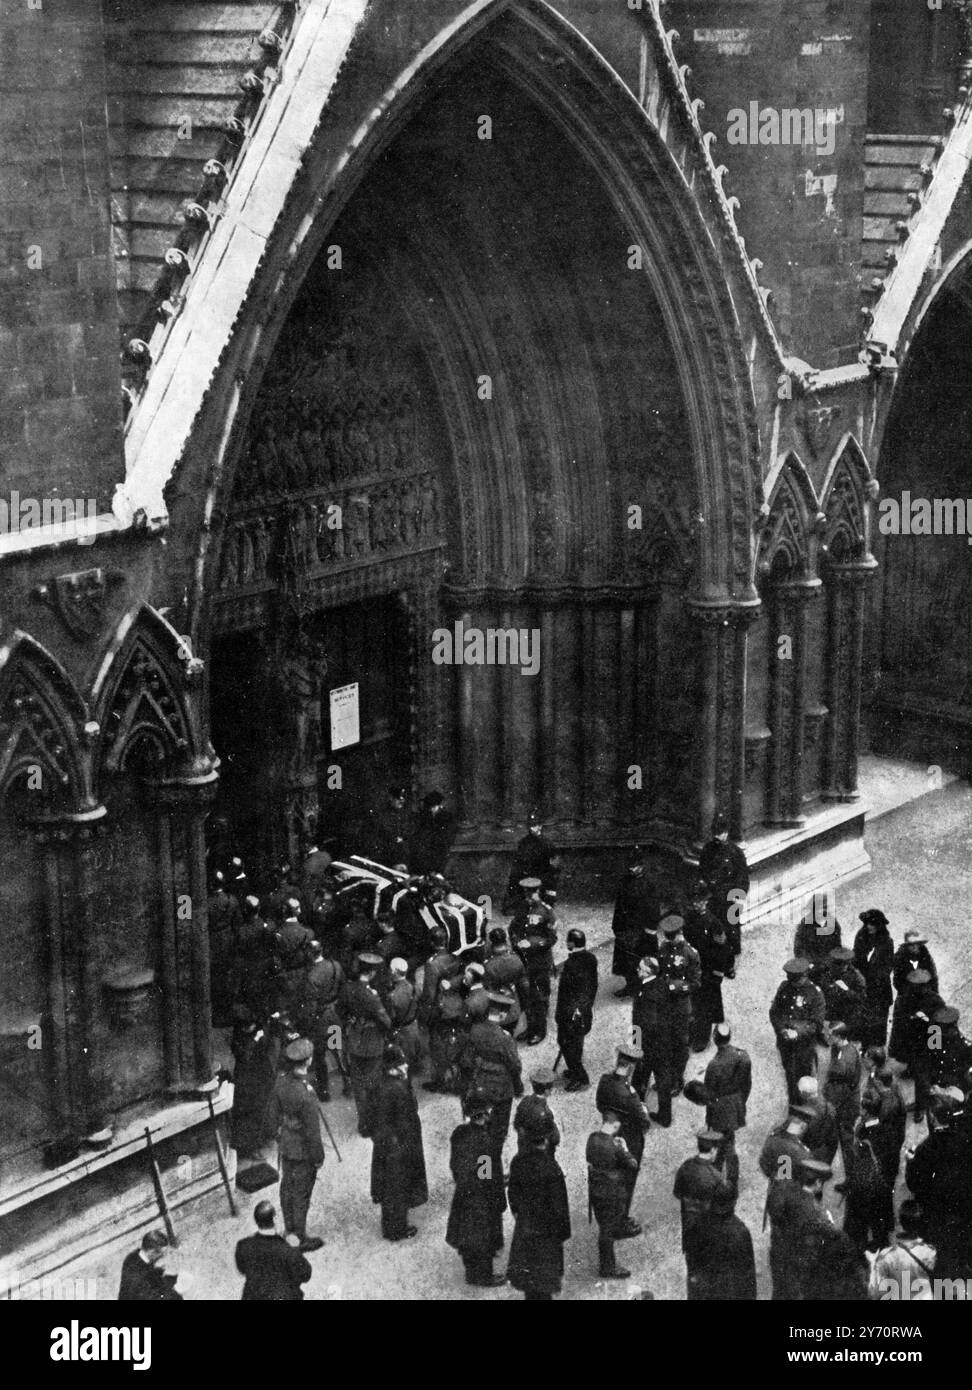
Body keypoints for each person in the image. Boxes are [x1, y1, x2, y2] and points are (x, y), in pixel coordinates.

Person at [265, 1037, 325, 1251]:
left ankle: (289, 1229)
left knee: (287, 1189)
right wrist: (318, 1158)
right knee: (301, 1194)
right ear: (308, 1061)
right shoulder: (306, 1095)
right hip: (303, 1151)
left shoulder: (281, 1082)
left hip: (286, 1146)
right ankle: (299, 1238)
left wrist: (279, 1135)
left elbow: (271, 1116)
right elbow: (313, 1133)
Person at [446, 1092, 507, 1287]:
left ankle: (474, 1271)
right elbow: (485, 1176)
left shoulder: (459, 1134)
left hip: (463, 1193)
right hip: (480, 1199)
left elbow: (456, 1166)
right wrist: (498, 1190)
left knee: (468, 1236)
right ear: (484, 1114)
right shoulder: (484, 1143)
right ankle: (482, 1276)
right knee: (481, 1238)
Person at [370, 1043, 428, 1241]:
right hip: (399, 1145)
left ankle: (390, 1225)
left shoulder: (379, 1082)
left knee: (388, 1186)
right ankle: (397, 1229)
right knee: (398, 1187)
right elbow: (406, 1120)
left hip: (384, 1143)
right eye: (402, 1064)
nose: (406, 1067)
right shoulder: (398, 1089)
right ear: (393, 1068)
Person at [507, 1132, 571, 1300]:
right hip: (547, 1232)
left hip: (526, 1226)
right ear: (546, 1140)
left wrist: (519, 1215)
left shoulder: (518, 1162)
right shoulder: (552, 1168)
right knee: (544, 1279)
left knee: (530, 1278)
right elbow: (560, 1207)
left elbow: (513, 1194)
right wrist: (563, 1234)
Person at [459, 993, 524, 1153]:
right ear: (502, 1014)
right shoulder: (504, 1038)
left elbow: (466, 1059)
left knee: (481, 1128)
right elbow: (515, 1066)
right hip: (501, 1089)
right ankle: (488, 1172)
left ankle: (483, 1170)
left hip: (478, 1083)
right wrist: (518, 1086)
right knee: (497, 1134)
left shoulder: (474, 1030)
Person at [595, 1043, 651, 1222]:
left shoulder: (604, 1080)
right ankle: (621, 1219)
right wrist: (643, 1109)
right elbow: (644, 1123)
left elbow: (600, 1105)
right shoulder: (630, 1094)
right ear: (631, 1067)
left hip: (610, 1132)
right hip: (630, 1138)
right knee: (627, 1178)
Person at [673, 1130, 730, 1296]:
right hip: (709, 1232)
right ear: (713, 1150)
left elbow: (677, 1193)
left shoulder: (685, 1167)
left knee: (693, 1272)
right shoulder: (716, 1177)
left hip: (689, 1230)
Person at [342, 951, 392, 1135]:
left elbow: (341, 1011)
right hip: (372, 1045)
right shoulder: (371, 995)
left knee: (358, 1086)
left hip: (354, 1040)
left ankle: (363, 1124)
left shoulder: (348, 988)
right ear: (371, 973)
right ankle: (373, 1123)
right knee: (373, 1085)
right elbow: (386, 1021)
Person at [586, 1111, 640, 1279]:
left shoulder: (592, 1138)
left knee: (605, 1223)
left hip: (596, 1189)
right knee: (606, 1230)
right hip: (612, 1191)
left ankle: (617, 1229)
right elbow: (632, 1165)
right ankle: (608, 1268)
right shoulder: (616, 1147)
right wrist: (624, 1148)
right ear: (616, 1125)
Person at [702, 1021, 751, 1195]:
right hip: (736, 1103)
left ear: (715, 1039)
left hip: (720, 1107)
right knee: (727, 1139)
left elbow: (708, 1092)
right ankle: (724, 1173)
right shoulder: (743, 1056)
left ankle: (728, 1179)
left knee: (725, 1142)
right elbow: (747, 1085)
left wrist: (710, 1111)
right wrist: (740, 1102)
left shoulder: (714, 1065)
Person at [293, 939, 345, 1101]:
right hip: (334, 1017)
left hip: (320, 1022)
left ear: (309, 954)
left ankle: (324, 1091)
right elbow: (343, 989)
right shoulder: (335, 965)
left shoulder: (311, 977)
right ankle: (347, 1080)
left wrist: (303, 1027)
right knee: (337, 1049)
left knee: (320, 1056)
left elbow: (310, 1007)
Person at [683, 1186, 757, 1301]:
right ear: (733, 1202)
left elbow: (691, 1261)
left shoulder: (698, 1225)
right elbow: (748, 1273)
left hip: (705, 1291)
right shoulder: (740, 1232)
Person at [768, 958, 825, 1102]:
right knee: (788, 1071)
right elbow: (774, 1012)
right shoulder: (784, 987)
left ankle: (801, 1101)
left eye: (796, 980)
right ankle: (792, 1099)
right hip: (785, 1041)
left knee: (802, 1072)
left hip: (803, 1045)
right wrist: (781, 1030)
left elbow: (816, 1024)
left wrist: (798, 1033)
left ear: (805, 976)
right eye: (790, 979)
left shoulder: (815, 994)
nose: (793, 983)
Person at [508, 878, 557, 1044]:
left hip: (540, 962)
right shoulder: (522, 908)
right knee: (525, 997)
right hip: (524, 961)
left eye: (532, 893)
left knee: (539, 997)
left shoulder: (546, 912)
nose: (528, 896)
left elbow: (551, 938)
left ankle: (539, 1030)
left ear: (538, 892)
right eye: (526, 893)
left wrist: (532, 944)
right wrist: (516, 942)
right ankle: (530, 1027)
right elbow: (513, 928)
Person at [843, 1097, 895, 1253]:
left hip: (865, 1189)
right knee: (880, 1225)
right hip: (881, 1181)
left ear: (865, 1110)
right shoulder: (886, 1127)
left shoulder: (863, 1130)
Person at [657, 914, 701, 1093]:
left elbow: (696, 983)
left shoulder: (690, 953)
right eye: (668, 936)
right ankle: (666, 1076)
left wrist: (677, 987)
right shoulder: (664, 948)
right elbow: (661, 972)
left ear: (680, 933)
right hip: (664, 1003)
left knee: (679, 1045)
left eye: (672, 936)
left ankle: (677, 1079)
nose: (670, 940)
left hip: (681, 1006)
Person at [235, 1201, 312, 1301]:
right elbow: (305, 1274)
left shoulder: (243, 1245)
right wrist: (295, 1248)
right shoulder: (289, 1250)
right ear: (275, 1219)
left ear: (256, 1221)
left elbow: (242, 1269)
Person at [419, 924, 465, 1091]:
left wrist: (424, 1015)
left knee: (437, 1046)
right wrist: (452, 984)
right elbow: (462, 977)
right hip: (457, 1004)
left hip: (441, 1010)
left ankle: (440, 1081)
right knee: (456, 1041)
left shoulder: (432, 964)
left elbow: (429, 994)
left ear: (432, 943)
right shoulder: (455, 957)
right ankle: (457, 1073)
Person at [611, 848, 659, 997]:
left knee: (642, 962)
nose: (632, 869)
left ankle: (643, 990)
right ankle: (630, 986)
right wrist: (616, 924)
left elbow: (654, 908)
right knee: (626, 961)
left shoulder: (649, 883)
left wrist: (650, 929)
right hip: (626, 926)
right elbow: (619, 904)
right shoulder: (625, 881)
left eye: (635, 866)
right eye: (630, 866)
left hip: (641, 929)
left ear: (642, 865)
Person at [698, 812, 749, 955]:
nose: (719, 836)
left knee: (732, 929)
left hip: (732, 898)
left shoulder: (735, 852)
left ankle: (732, 958)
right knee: (717, 928)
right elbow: (703, 872)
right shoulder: (707, 850)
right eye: (716, 833)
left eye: (721, 833)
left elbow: (742, 876)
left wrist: (738, 896)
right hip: (715, 897)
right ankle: (719, 956)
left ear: (726, 833)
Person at [867, 1198, 937, 1300]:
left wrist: (873, 1263)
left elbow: (874, 1294)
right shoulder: (931, 1253)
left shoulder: (886, 1256)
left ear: (900, 1222)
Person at [631, 955, 673, 1124]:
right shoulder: (661, 983)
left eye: (641, 969)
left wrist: (636, 1044)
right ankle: (665, 1116)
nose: (637, 970)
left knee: (639, 1078)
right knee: (663, 1080)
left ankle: (636, 1111)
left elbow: (643, 1023)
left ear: (648, 972)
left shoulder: (647, 994)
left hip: (649, 1046)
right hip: (664, 1041)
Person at [555, 927, 597, 1090]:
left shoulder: (573, 964)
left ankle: (580, 1077)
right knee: (572, 1045)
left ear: (572, 943)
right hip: (580, 1013)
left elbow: (581, 991)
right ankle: (574, 1071)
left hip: (572, 1015)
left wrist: (577, 1010)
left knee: (569, 1045)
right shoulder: (590, 958)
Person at [230, 1019, 277, 1159]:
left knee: (262, 1111)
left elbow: (268, 1050)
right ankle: (249, 1148)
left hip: (262, 1078)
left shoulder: (260, 1028)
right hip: (246, 1082)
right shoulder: (238, 1039)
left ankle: (262, 1140)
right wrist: (255, 1039)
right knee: (248, 1114)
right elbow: (245, 1057)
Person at [822, 1023, 863, 1177]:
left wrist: (832, 1105)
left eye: (830, 1034)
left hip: (844, 1108)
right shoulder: (839, 1049)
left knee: (846, 1144)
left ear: (839, 1037)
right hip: (839, 1103)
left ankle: (851, 1179)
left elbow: (845, 1087)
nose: (827, 1036)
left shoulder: (847, 1058)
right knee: (831, 1140)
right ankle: (824, 1171)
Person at [852, 908, 895, 1049]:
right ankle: (864, 1044)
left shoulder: (887, 942)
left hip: (879, 988)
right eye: (867, 924)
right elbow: (856, 958)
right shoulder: (861, 937)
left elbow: (888, 966)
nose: (869, 927)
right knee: (863, 1017)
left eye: (873, 924)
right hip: (863, 985)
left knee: (878, 1019)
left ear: (879, 926)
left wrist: (875, 978)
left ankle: (876, 1047)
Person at [692, 919, 734, 1051]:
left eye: (722, 935)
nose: (721, 938)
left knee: (706, 1010)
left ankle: (702, 1039)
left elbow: (728, 961)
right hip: (706, 979)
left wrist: (727, 971)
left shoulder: (725, 946)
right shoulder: (708, 946)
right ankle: (699, 1035)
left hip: (713, 981)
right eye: (718, 936)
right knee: (703, 1008)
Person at [505, 811, 561, 908]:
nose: (533, 828)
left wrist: (551, 872)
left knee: (548, 893)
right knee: (514, 880)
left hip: (543, 874)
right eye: (531, 825)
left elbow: (555, 862)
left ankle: (545, 901)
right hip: (527, 873)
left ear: (540, 826)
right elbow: (518, 862)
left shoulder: (547, 843)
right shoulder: (523, 842)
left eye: (535, 825)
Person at [481, 925, 527, 1035]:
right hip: (514, 1006)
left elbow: (487, 989)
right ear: (505, 941)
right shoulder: (516, 959)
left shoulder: (489, 966)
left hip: (496, 1008)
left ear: (492, 943)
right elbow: (523, 984)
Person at [118, 1230, 182, 1301]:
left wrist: (173, 1277)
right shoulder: (136, 1273)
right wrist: (177, 1289)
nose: (163, 1256)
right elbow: (151, 1296)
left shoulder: (135, 1257)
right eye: (161, 1254)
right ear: (152, 1252)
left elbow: (151, 1277)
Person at [385, 956, 421, 1071]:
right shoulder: (414, 988)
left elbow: (390, 1018)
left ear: (394, 972)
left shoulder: (393, 995)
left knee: (399, 1066)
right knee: (409, 1062)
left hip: (401, 1034)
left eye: (390, 969)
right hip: (413, 1029)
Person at [822, 946, 867, 1039]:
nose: (838, 967)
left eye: (842, 964)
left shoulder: (856, 976)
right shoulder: (829, 973)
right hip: (833, 1015)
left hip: (849, 1017)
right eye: (836, 964)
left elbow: (862, 998)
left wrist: (846, 990)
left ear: (847, 963)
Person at [409, 789, 456, 876]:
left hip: (440, 853)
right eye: (429, 807)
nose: (431, 810)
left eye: (434, 807)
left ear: (440, 805)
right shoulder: (424, 817)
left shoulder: (447, 818)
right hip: (425, 854)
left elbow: (447, 838)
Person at [513, 1068, 560, 1154]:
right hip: (540, 1153)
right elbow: (555, 1139)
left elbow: (516, 1124)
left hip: (523, 1149)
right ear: (547, 1091)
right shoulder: (546, 1113)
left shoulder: (524, 1101)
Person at [796, 1074, 839, 1164]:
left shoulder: (804, 1114)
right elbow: (834, 1140)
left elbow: (794, 1140)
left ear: (803, 1094)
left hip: (809, 1159)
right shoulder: (829, 1107)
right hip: (824, 1157)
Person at [365, 785, 410, 868]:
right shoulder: (381, 815)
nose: (401, 800)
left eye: (403, 798)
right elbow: (376, 838)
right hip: (385, 858)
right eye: (398, 798)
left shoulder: (405, 815)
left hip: (402, 858)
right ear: (391, 798)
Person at [892, 929, 938, 995]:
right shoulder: (900, 958)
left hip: (926, 996)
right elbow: (898, 982)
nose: (915, 947)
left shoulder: (926, 957)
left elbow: (933, 979)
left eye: (917, 944)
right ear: (906, 946)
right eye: (911, 945)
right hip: (907, 997)